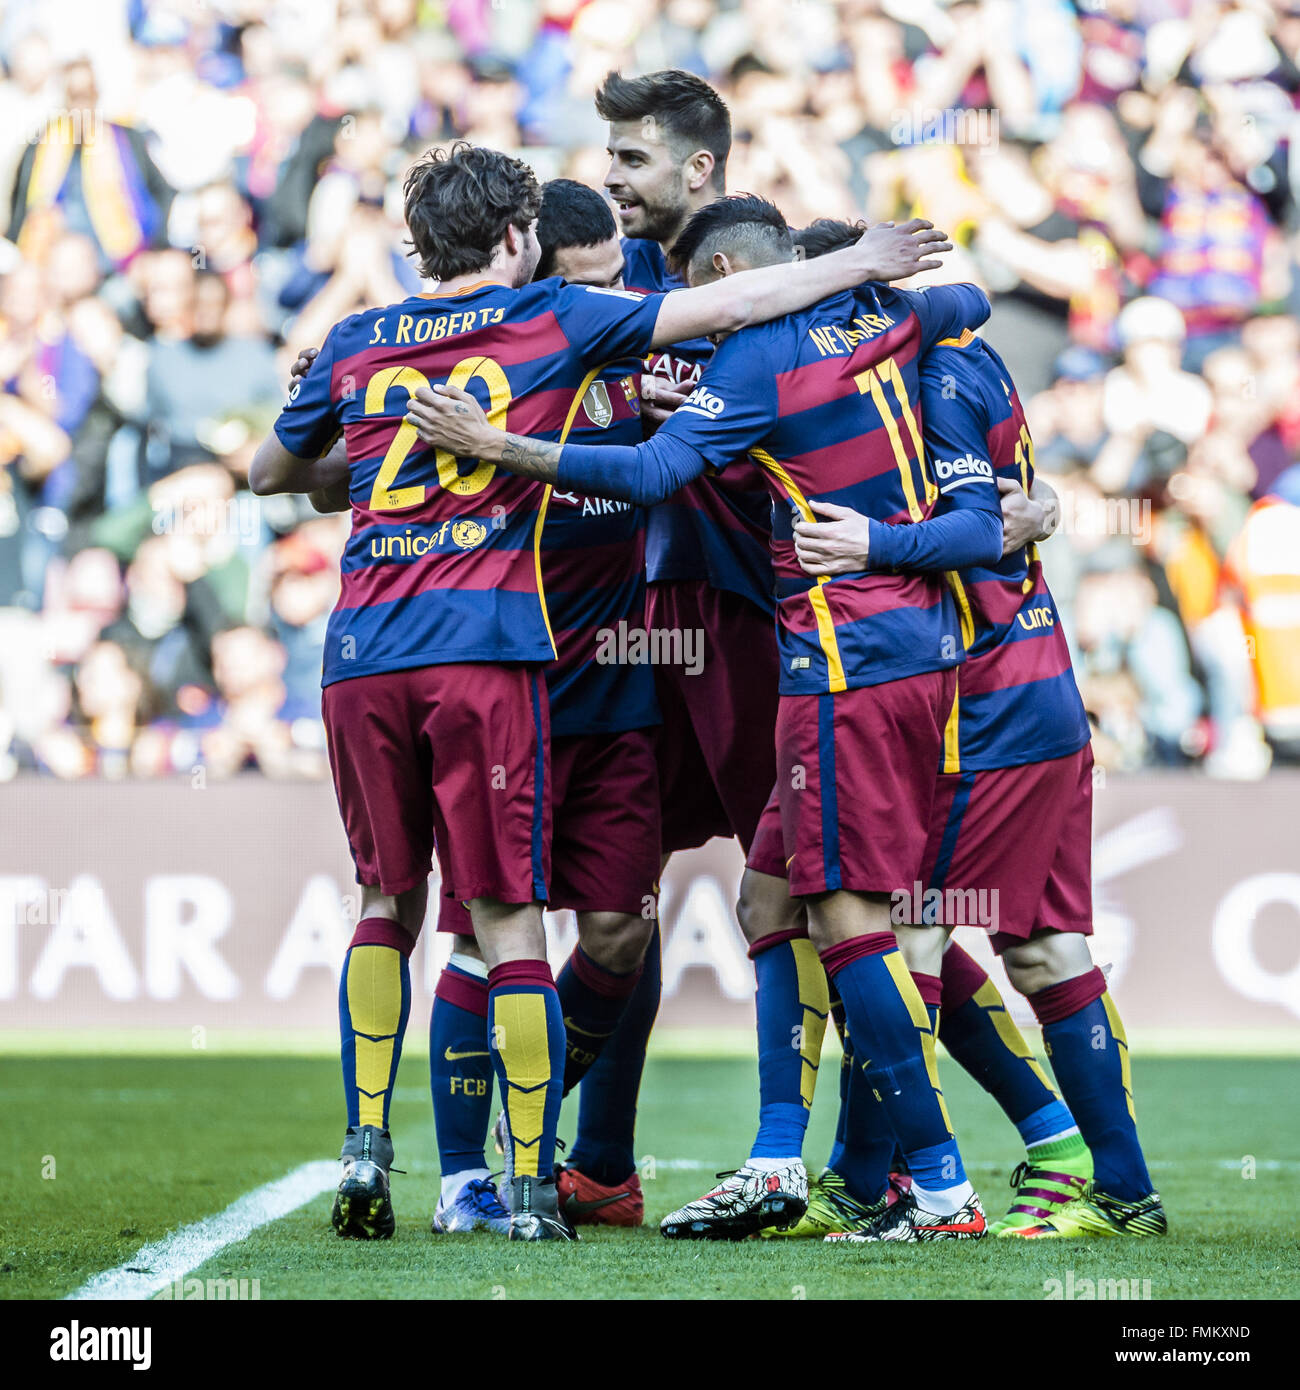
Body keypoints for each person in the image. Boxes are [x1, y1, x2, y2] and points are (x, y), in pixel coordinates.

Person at [250, 142, 953, 1243]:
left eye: (624, 276)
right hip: (501, 668)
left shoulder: (612, 337)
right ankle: (478, 1174)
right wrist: (871, 262)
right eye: (589, 275)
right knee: (489, 928)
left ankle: (510, 1155)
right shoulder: (551, 328)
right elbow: (309, 477)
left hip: (595, 682)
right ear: (527, 253)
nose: (615, 296)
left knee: (611, 933)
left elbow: (275, 470)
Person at [406, 193, 1001, 1242]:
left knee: (850, 920)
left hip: (839, 655)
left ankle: (940, 1191)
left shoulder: (752, 364)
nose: (677, 311)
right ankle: (782, 1157)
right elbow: (968, 298)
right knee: (770, 897)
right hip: (925, 649)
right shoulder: (889, 316)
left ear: (727, 273)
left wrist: (507, 447)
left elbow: (648, 472)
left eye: (691, 289)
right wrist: (880, 280)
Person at [790, 320, 1166, 1242]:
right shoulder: (972, 359)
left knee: (904, 937)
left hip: (987, 703)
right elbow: (1012, 505)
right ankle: (1121, 1185)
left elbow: (983, 525)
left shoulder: (929, 382)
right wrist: (1038, 511)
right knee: (1039, 944)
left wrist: (874, 543)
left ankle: (867, 1183)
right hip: (1038, 690)